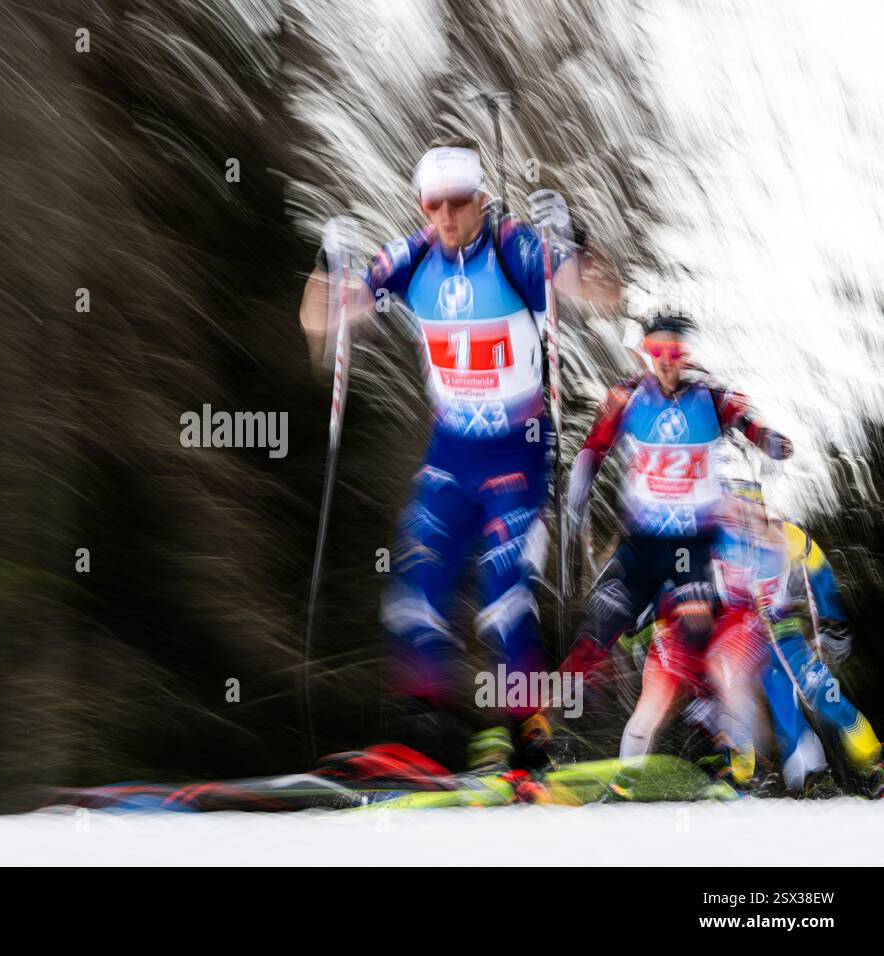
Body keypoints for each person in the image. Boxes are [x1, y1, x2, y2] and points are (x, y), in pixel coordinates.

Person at [299, 136, 617, 769]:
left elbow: (603, 294)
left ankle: (529, 735)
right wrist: (327, 264)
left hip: (518, 451)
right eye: (434, 204)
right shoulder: (412, 258)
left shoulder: (514, 247)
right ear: (422, 205)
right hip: (451, 451)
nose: (446, 216)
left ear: (482, 198)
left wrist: (573, 239)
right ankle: (433, 734)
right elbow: (320, 322)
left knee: (504, 598)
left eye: (459, 201)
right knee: (414, 592)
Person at [561, 312, 793, 771]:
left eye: (675, 352)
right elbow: (593, 448)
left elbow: (747, 421)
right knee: (599, 628)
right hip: (643, 543)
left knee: (696, 638)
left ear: (686, 354)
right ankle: (542, 735)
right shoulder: (626, 396)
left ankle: (725, 753)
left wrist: (767, 440)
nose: (666, 362)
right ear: (647, 352)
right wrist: (577, 497)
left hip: (692, 546)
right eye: (657, 352)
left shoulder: (711, 396)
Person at [711, 480, 882, 795]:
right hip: (746, 640)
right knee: (763, 706)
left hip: (785, 636)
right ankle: (763, 777)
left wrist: (833, 622)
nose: (743, 519)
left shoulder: (785, 535)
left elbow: (819, 569)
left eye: (750, 509)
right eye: (735, 511)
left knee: (826, 698)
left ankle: (874, 764)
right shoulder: (716, 539)